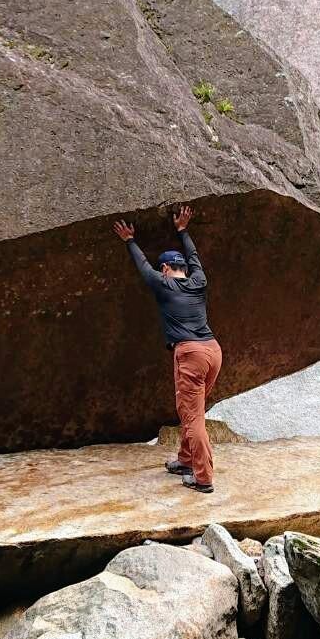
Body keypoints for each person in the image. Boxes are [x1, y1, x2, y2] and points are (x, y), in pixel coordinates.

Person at [114, 205, 222, 494]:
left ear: (166, 269)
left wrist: (129, 240)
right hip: (213, 351)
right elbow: (195, 256)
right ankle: (185, 461)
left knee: (192, 416)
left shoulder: (164, 285)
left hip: (190, 354)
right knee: (191, 409)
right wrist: (183, 230)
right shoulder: (198, 280)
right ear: (184, 268)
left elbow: (143, 267)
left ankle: (203, 478)